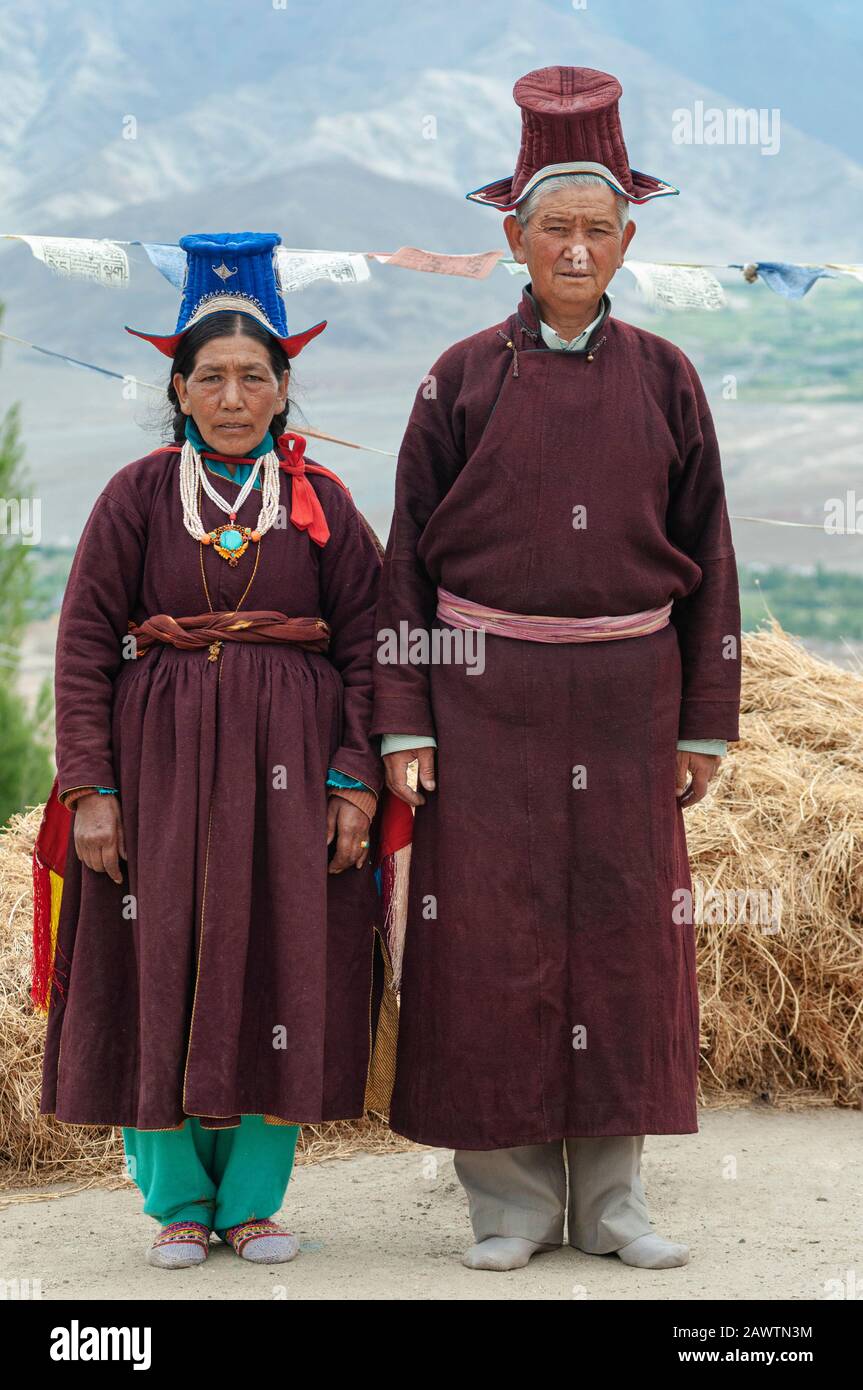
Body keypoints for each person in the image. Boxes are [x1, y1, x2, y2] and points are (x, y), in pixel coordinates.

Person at [372, 68, 741, 1272]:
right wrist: (403, 722)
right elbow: (402, 571)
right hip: (482, 702)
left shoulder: (668, 375)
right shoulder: (457, 379)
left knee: (624, 937)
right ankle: (511, 1204)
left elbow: (713, 560)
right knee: (489, 934)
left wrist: (702, 722)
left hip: (630, 699)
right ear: (511, 238)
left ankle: (617, 1200)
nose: (575, 247)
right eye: (553, 228)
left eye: (597, 228)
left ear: (627, 238)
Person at [37, 232, 384, 1268]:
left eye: (254, 377)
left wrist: (353, 781)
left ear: (284, 389)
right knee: (158, 957)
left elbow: (372, 645)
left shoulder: (324, 504)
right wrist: (90, 787)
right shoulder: (135, 497)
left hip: (291, 779)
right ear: (178, 389)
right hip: (158, 776)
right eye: (211, 377)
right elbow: (85, 642)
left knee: (279, 959)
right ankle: (177, 1199)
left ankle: (254, 1202)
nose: (233, 396)